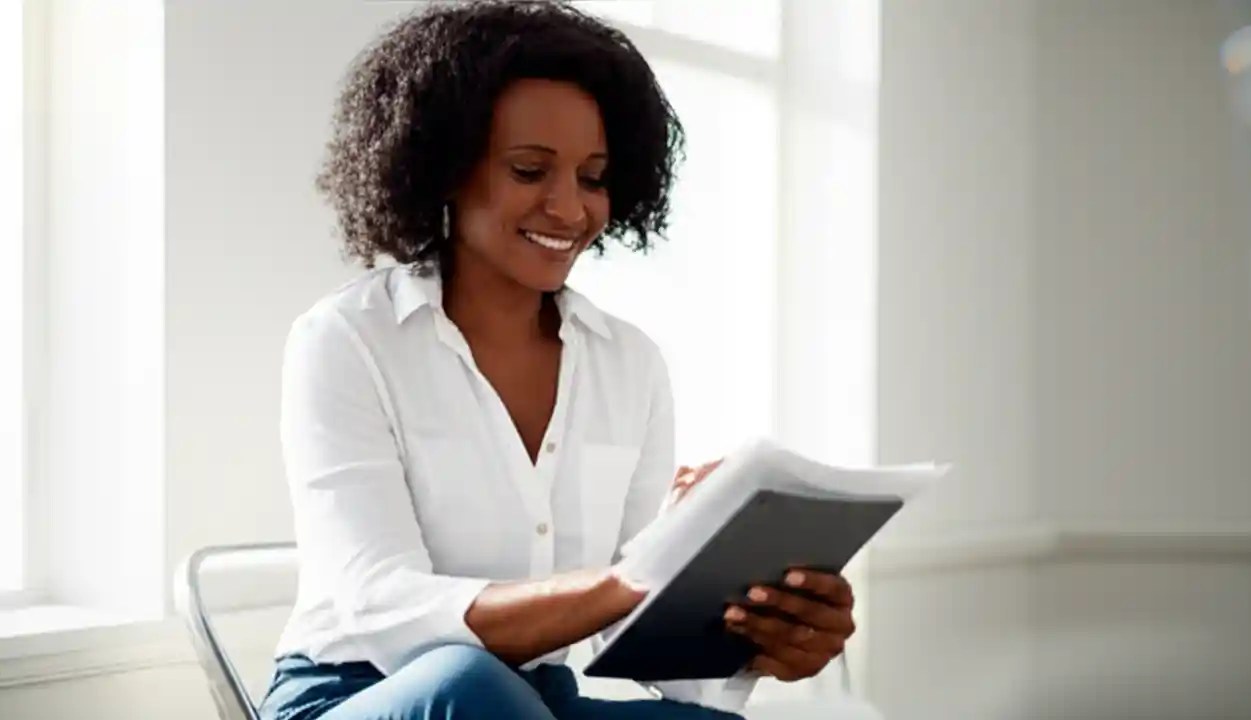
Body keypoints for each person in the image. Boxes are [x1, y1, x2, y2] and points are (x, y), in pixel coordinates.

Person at [260, 2, 857, 719]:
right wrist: (633, 577)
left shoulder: (630, 364)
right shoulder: (346, 339)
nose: (570, 209)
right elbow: (380, 605)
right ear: (444, 166)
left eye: (594, 177)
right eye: (529, 169)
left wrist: (756, 632)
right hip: (367, 695)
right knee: (465, 685)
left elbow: (641, 640)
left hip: (535, 703)